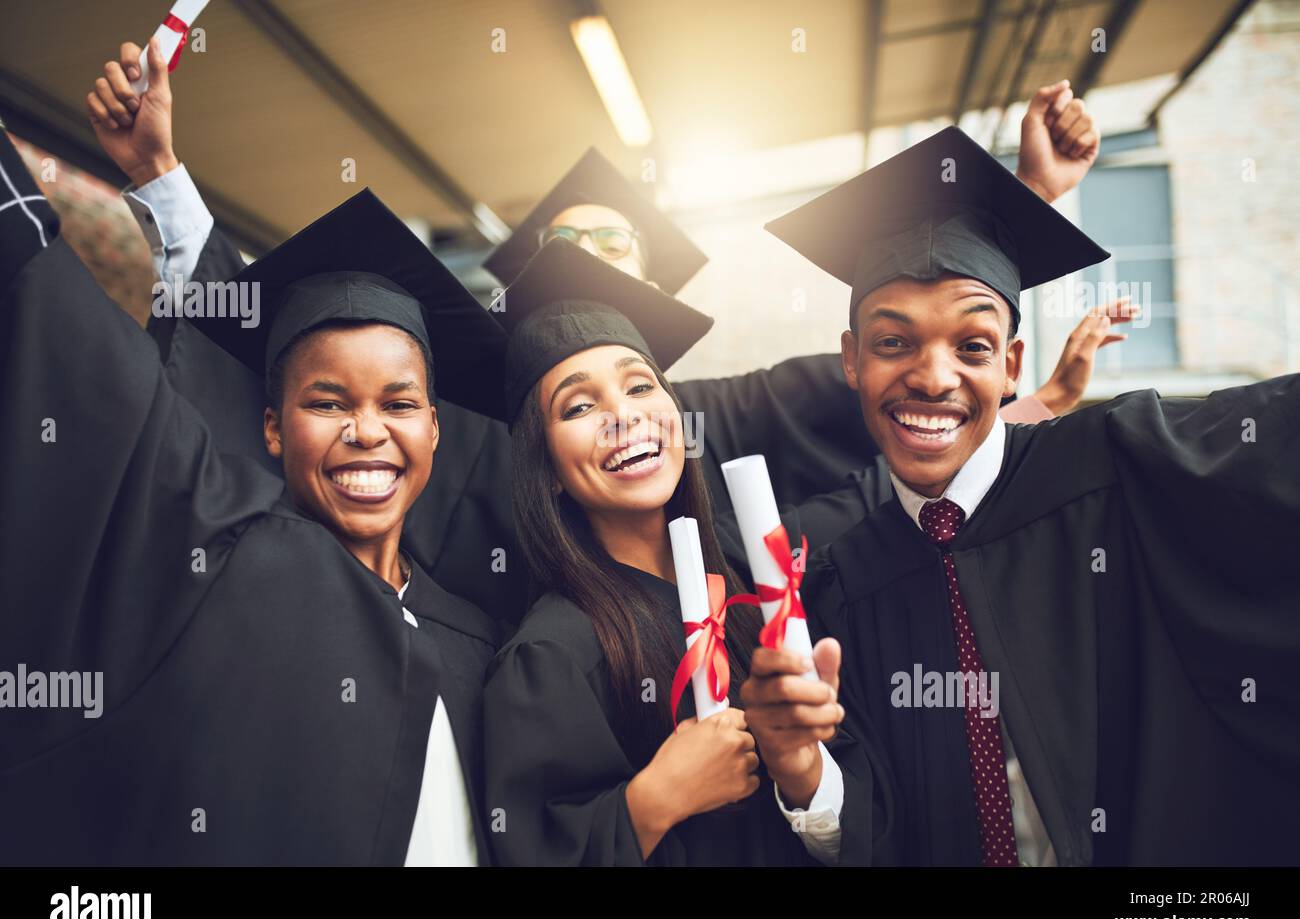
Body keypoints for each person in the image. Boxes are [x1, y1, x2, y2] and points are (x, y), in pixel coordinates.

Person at [86, 41, 1114, 624]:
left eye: (618, 247)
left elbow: (906, 386)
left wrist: (1021, 207)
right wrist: (164, 185)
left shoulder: (710, 420)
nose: (591, 258)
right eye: (568, 242)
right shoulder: (436, 403)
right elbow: (283, 365)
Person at [765, 124, 1300, 866]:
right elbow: (875, 830)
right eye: (894, 342)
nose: (933, 376)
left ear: (1012, 365)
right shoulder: (846, 584)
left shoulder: (1119, 465)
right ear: (851, 360)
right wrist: (801, 773)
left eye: (972, 346)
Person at [0, 118, 507, 865]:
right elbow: (99, 384)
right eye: (328, 403)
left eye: (398, 405)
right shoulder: (211, 575)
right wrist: (160, 180)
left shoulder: (483, 641)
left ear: (435, 428)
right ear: (270, 427)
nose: (367, 432)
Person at [480, 239, 897, 865]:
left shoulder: (759, 580)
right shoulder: (550, 660)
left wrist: (801, 769)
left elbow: (859, 831)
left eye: (641, 387)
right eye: (580, 405)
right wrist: (652, 803)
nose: (624, 416)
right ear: (547, 471)